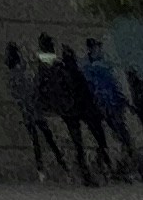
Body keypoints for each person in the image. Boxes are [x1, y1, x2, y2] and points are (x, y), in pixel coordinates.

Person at [34, 39, 107, 180]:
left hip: (67, 111)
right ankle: (93, 169)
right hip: (79, 109)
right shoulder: (69, 70)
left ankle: (85, 169)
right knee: (93, 140)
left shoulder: (50, 68)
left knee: (78, 143)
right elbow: (84, 92)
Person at [5, 45, 68, 178]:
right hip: (33, 110)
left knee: (37, 140)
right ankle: (60, 164)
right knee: (47, 138)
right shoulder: (23, 72)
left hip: (28, 111)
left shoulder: (13, 76)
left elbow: (18, 95)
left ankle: (43, 168)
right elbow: (32, 88)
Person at [83, 42, 141, 180]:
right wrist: (126, 103)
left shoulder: (88, 68)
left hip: (103, 107)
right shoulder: (102, 68)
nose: (100, 50)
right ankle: (125, 166)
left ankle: (113, 165)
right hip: (110, 106)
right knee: (122, 137)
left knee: (114, 138)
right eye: (97, 48)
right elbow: (115, 88)